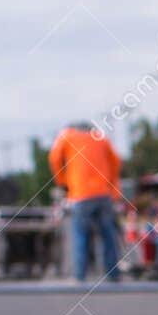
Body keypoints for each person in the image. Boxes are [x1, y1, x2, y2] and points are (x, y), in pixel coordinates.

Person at [48, 121, 124, 283]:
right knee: (108, 234)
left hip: (80, 194)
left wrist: (62, 183)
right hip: (103, 193)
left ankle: (80, 276)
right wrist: (112, 186)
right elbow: (116, 161)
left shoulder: (67, 137)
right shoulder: (101, 138)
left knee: (81, 234)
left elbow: (54, 158)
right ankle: (113, 274)